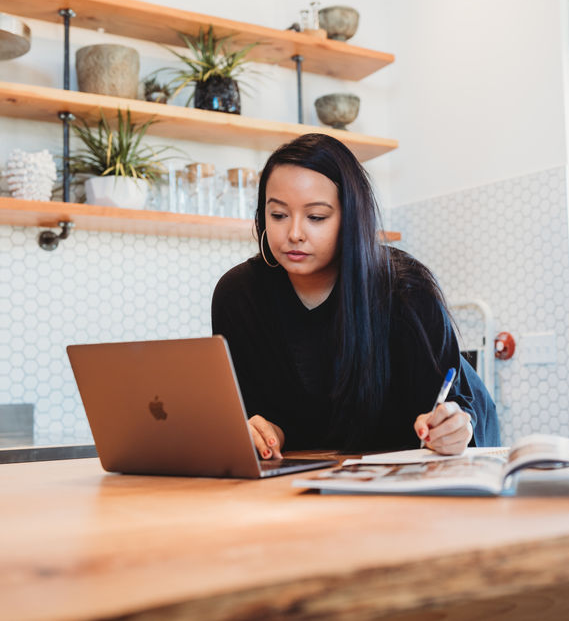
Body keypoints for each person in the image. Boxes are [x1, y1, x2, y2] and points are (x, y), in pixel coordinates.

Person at [211, 133, 500, 459]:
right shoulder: (238, 295)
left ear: (351, 217)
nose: (293, 233)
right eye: (278, 215)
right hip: (310, 470)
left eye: (316, 217)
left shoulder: (405, 289)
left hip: (409, 464)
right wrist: (263, 432)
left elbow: (452, 407)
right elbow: (250, 410)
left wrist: (452, 428)